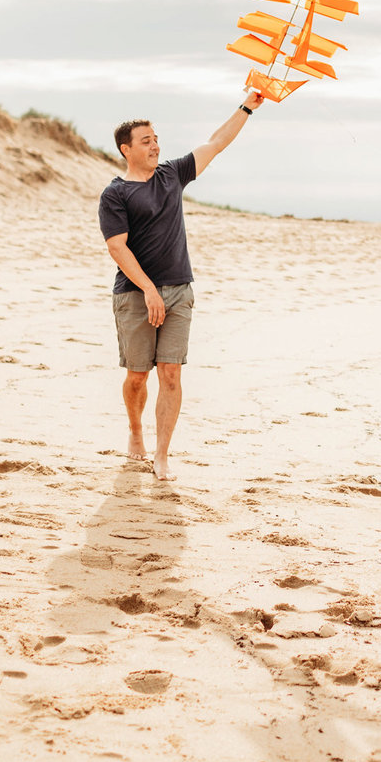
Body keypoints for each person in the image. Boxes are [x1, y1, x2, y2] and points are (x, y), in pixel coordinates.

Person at [98, 90, 266, 481]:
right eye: (146, 141)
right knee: (137, 375)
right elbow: (117, 248)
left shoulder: (172, 174)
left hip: (179, 290)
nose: (155, 145)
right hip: (135, 295)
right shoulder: (116, 193)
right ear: (127, 149)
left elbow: (216, 143)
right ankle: (136, 431)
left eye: (156, 138)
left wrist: (247, 108)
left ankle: (161, 455)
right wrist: (148, 290)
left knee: (170, 373)